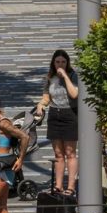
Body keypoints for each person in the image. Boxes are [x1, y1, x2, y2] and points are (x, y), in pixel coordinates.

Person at [37, 50, 79, 195]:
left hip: (70, 114)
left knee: (70, 152)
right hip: (55, 114)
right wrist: (41, 105)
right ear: (53, 63)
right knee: (58, 153)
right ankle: (58, 185)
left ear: (67, 63)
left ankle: (71, 186)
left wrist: (65, 76)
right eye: (57, 62)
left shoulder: (73, 75)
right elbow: (46, 97)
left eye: (63, 62)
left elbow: (74, 94)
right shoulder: (50, 77)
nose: (60, 64)